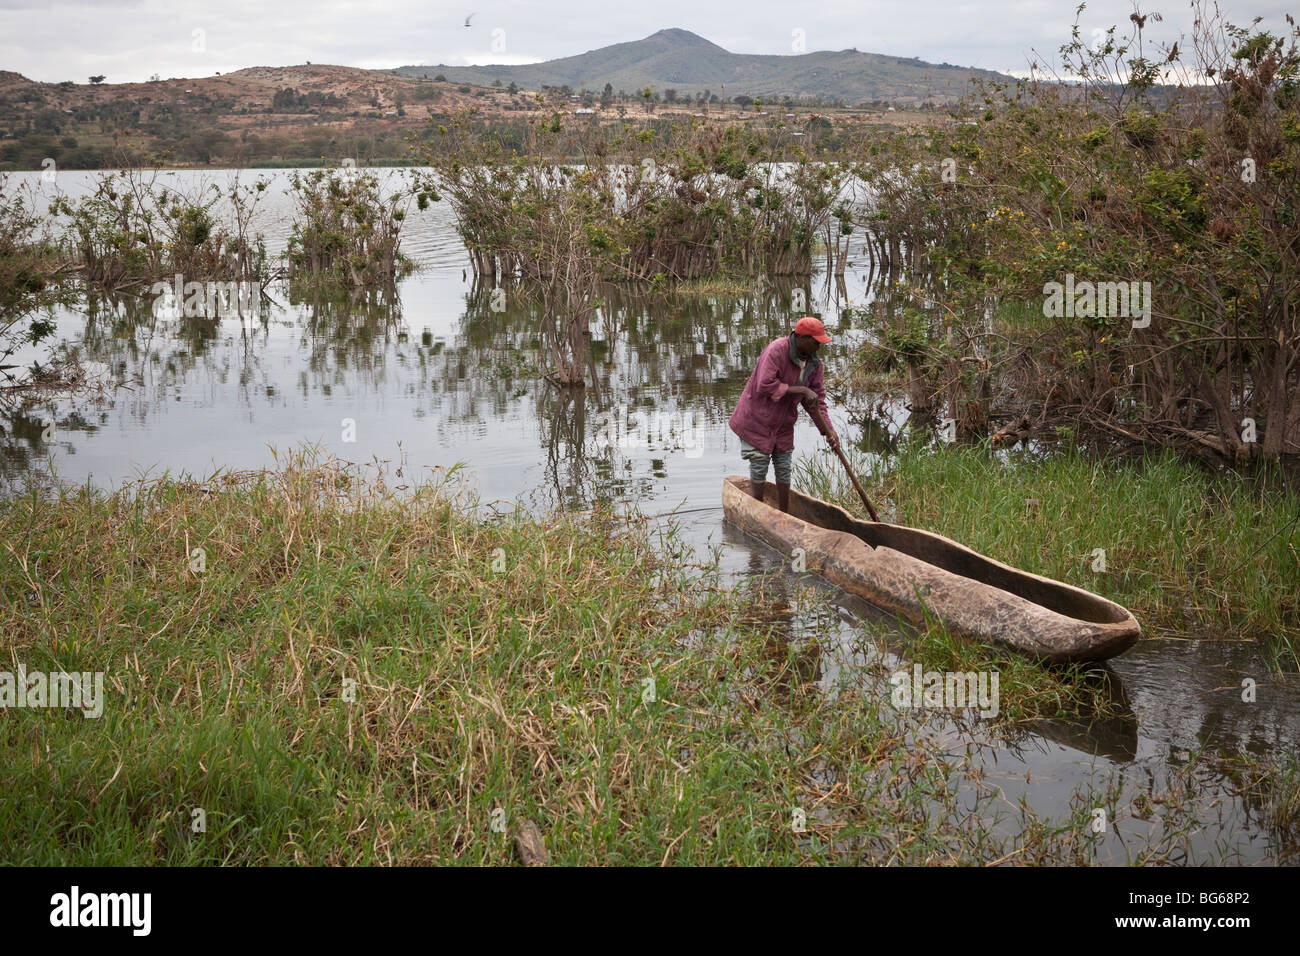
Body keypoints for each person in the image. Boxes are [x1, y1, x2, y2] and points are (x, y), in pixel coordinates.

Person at [728, 316, 840, 513]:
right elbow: (765, 384)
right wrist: (802, 390)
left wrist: (828, 430)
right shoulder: (777, 350)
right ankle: (757, 509)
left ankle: (784, 514)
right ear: (802, 338)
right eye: (816, 342)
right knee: (759, 463)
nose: (818, 347)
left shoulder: (814, 364)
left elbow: (817, 400)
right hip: (757, 417)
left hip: (783, 422)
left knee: (784, 467)